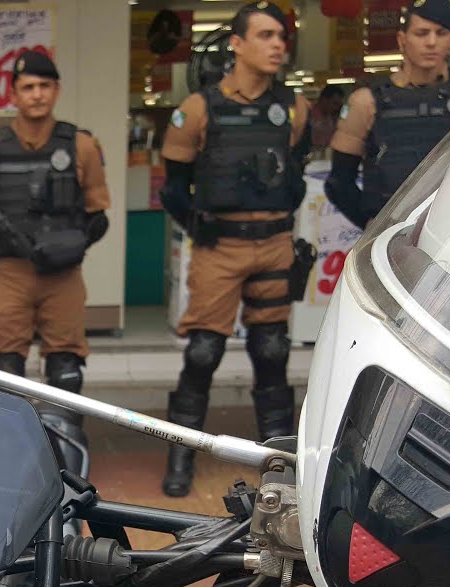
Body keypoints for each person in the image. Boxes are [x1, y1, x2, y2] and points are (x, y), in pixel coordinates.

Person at [157, 1, 311, 497]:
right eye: (266, 36)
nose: (277, 45)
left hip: (274, 244)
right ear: (237, 44)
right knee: (204, 352)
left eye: (281, 37)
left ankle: (279, 462)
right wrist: (197, 227)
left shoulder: (294, 108)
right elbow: (172, 188)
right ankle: (180, 455)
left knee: (272, 350)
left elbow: (296, 173)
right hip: (219, 247)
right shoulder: (198, 108)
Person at [0, 50, 111, 394]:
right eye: (28, 87)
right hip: (11, 274)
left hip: (64, 275)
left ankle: (63, 432)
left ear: (57, 91)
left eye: (45, 86)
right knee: (5, 373)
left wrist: (67, 248)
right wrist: (3, 248)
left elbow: (98, 217)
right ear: (13, 95)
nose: (37, 94)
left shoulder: (82, 146)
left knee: (66, 372)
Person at [325, 0, 450, 230]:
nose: (431, 42)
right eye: (422, 33)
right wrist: (374, 227)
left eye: (441, 33)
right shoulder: (366, 101)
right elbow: (339, 183)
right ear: (402, 40)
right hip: (388, 234)